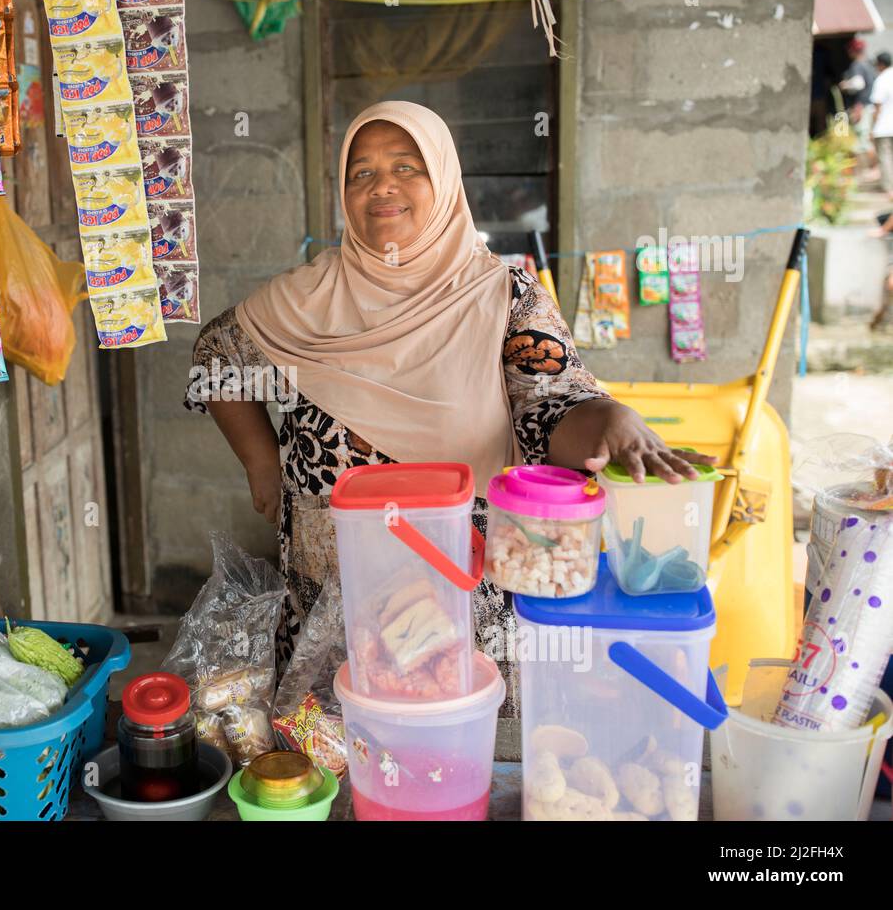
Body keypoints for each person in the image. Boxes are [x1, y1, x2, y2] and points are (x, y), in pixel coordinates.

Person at [184, 101, 716, 715]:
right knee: (335, 761)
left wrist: (609, 422)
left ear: (444, 181)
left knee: (452, 762)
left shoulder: (501, 296)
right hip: (331, 602)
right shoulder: (305, 296)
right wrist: (260, 462)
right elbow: (215, 355)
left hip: (461, 602)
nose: (382, 185)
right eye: (361, 172)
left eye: (407, 166)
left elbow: (550, 405)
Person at [839, 38, 876, 176]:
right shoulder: (869, 64)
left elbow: (858, 84)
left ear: (853, 51)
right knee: (865, 139)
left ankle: (871, 170)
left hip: (860, 107)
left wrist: (845, 84)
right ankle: (870, 170)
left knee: (861, 141)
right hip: (868, 107)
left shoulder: (857, 65)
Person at [869, 52, 893, 197]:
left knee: (885, 157)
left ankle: (889, 189)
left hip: (884, 127)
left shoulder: (882, 79)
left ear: (880, 64)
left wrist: (873, 127)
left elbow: (877, 106)